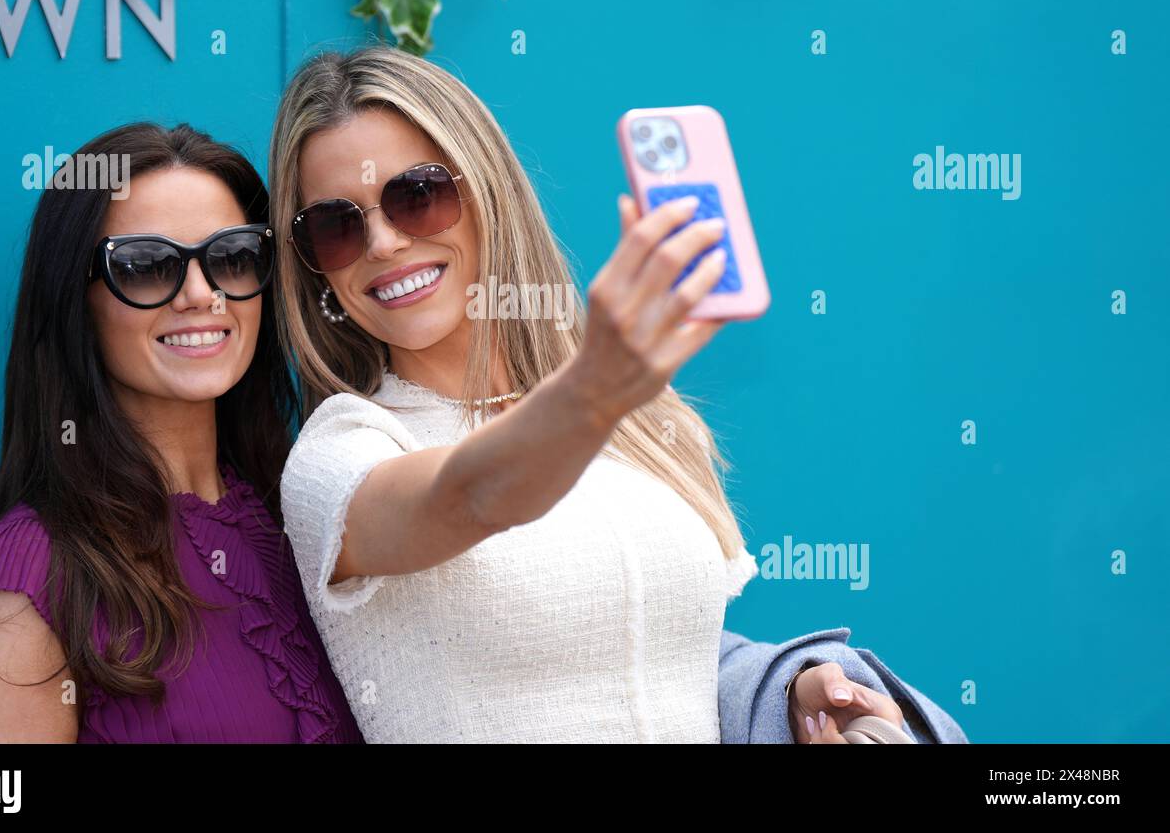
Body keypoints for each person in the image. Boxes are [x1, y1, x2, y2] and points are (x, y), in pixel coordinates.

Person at [267, 43, 939, 742]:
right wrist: (594, 384)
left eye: (418, 195)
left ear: (489, 189)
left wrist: (791, 692)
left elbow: (655, 657)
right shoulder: (339, 457)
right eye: (336, 225)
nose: (381, 242)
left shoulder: (636, 417)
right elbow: (469, 495)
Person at [0, 122, 362, 743]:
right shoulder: (32, 578)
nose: (202, 295)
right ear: (75, 298)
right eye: (147, 267)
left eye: (233, 257)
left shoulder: (304, 515)